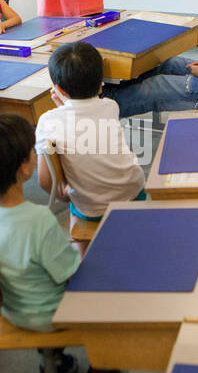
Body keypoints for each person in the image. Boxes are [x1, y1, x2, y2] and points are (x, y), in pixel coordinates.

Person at [0, 114, 119, 373]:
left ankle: (51, 364)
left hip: (11, 309)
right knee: (111, 296)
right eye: (32, 151)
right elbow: (73, 277)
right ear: (23, 168)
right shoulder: (39, 221)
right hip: (52, 315)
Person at [35, 41, 144, 234]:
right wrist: (66, 105)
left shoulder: (48, 122)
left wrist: (66, 194)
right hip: (135, 192)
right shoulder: (111, 106)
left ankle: (81, 249)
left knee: (74, 203)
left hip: (93, 208)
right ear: (100, 83)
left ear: (58, 90)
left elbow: (45, 181)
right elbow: (84, 121)